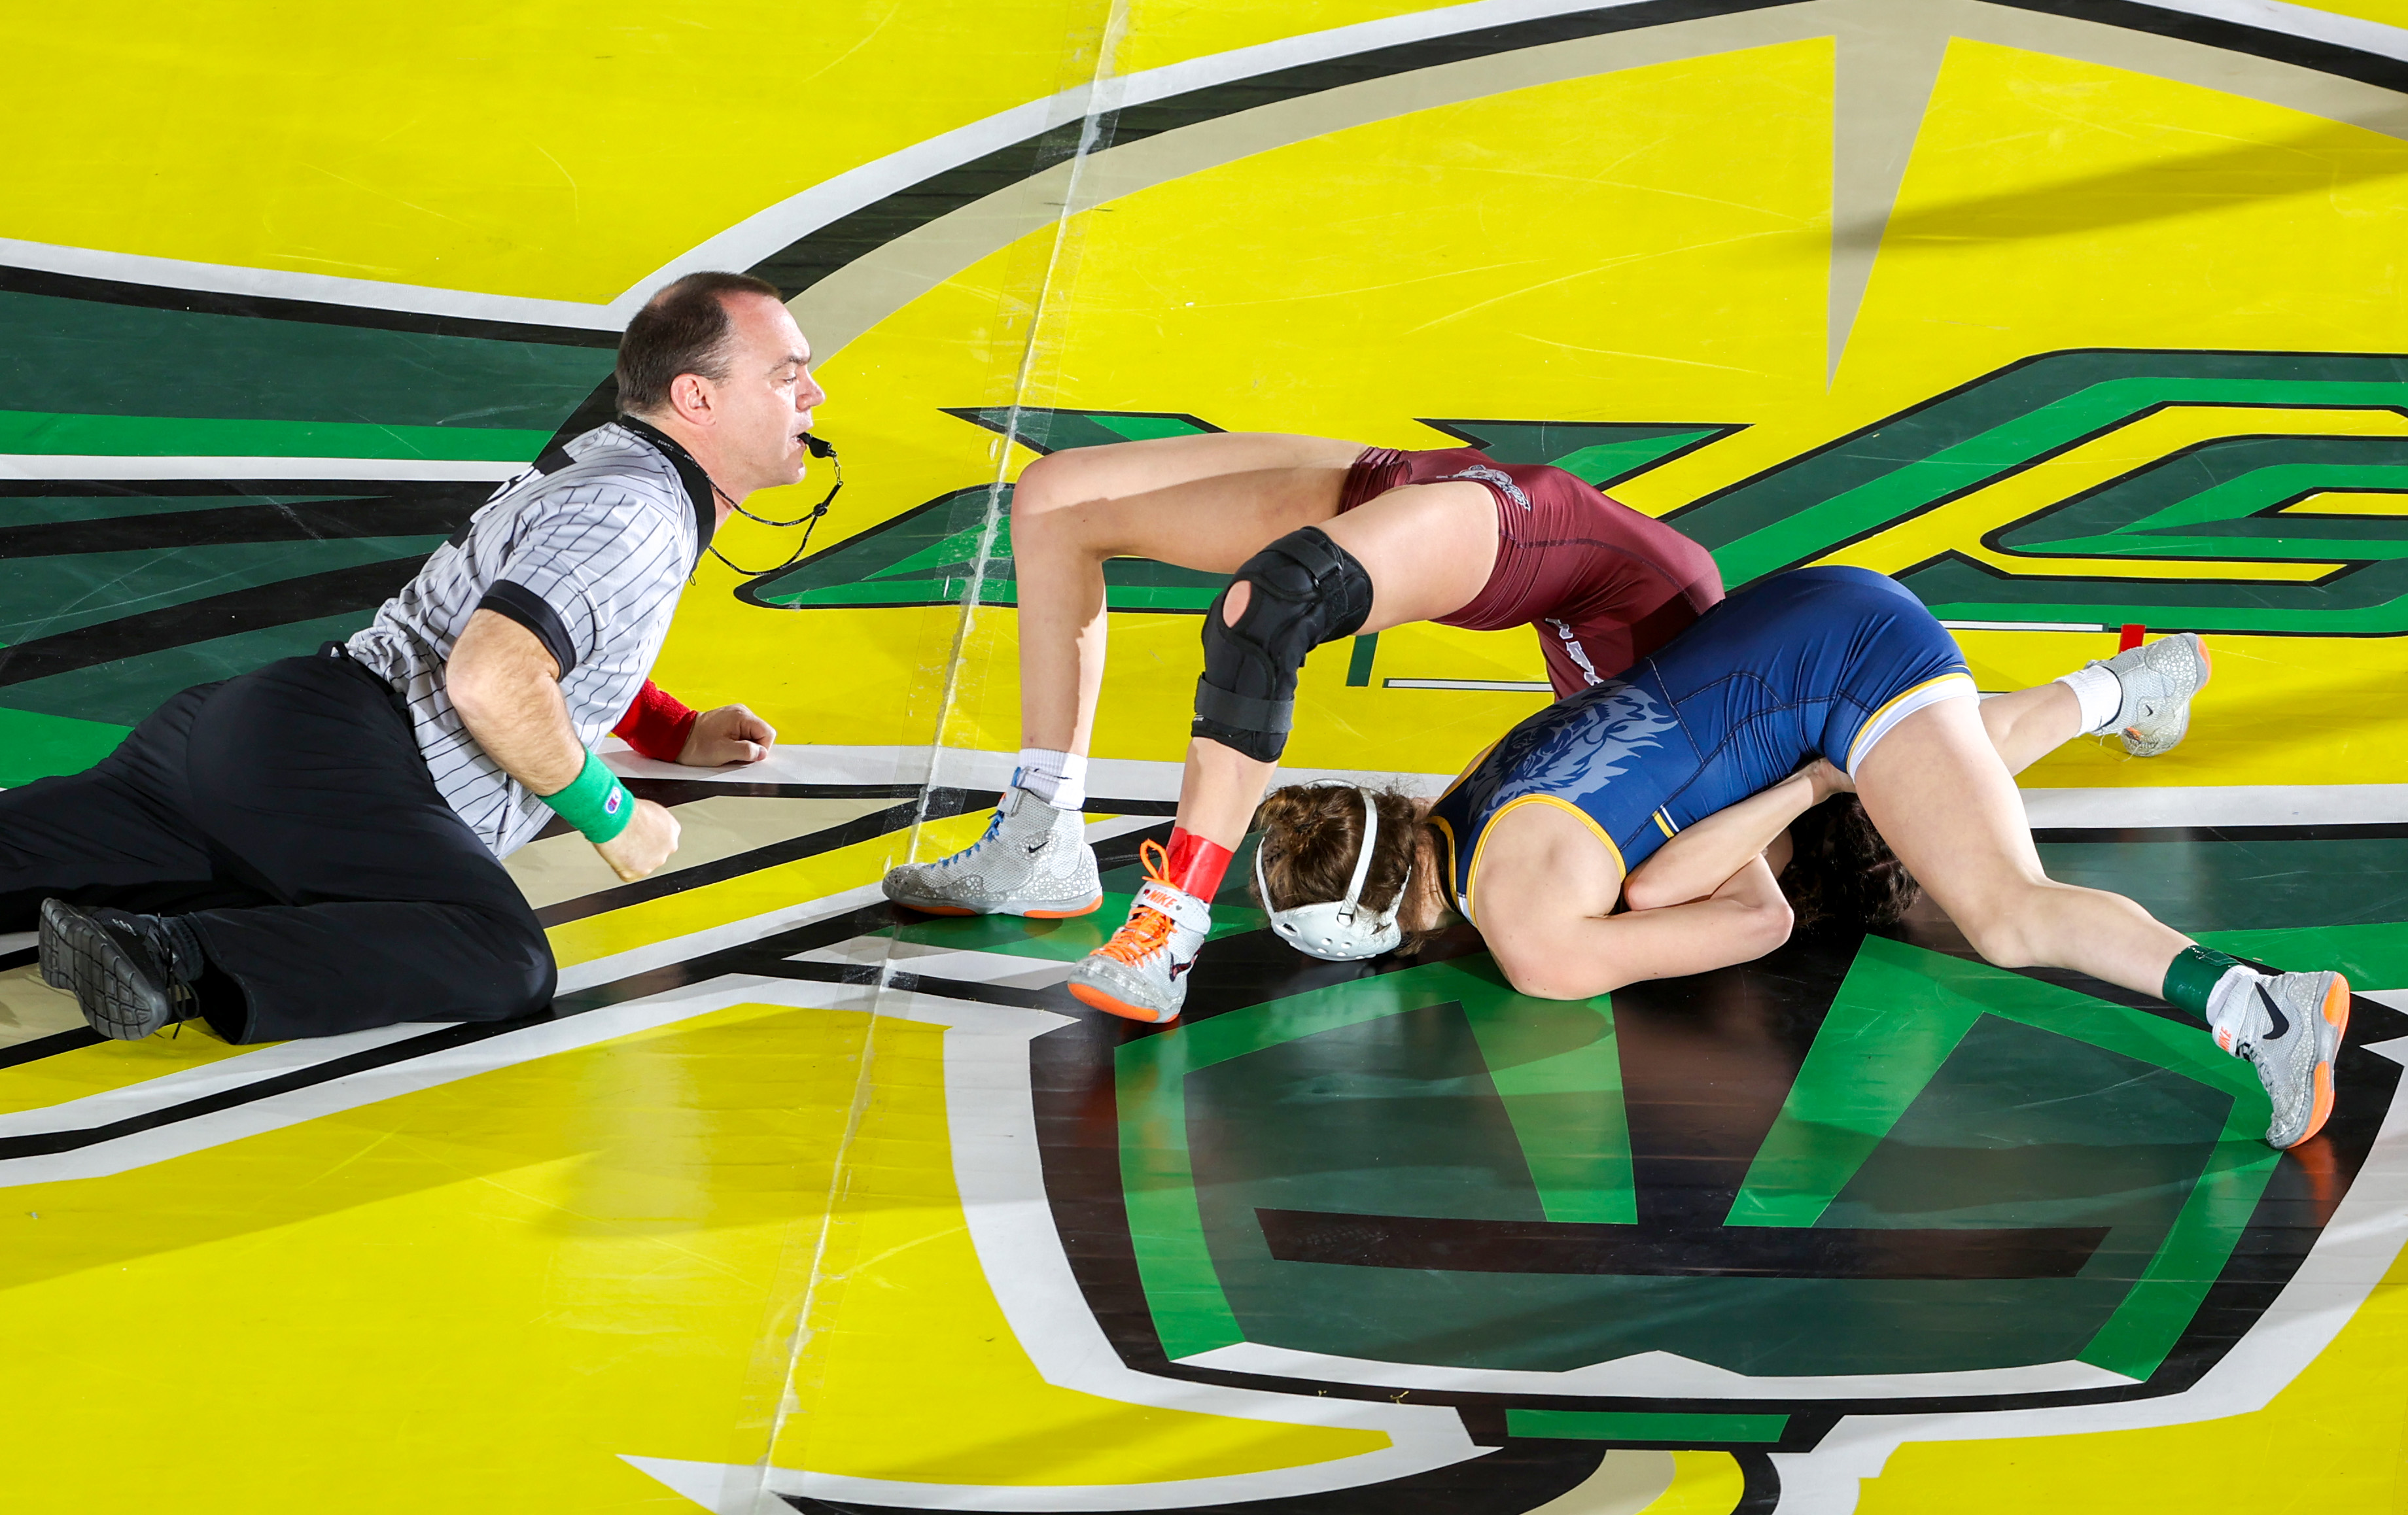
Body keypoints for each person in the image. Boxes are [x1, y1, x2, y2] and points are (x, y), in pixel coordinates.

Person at [1249, 566, 2347, 1150]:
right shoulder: (1472, 785)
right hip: (1797, 611)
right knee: (1929, 777)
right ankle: (2130, 686)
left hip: (1842, 672)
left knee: (2004, 913)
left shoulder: (1530, 940)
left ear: (1356, 934)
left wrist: (1803, 789)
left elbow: (1758, 922)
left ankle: (2264, 1009)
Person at [7, 270, 819, 1045]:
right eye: (788, 376)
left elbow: (560, 625)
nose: (813, 396)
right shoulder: (633, 513)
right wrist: (616, 816)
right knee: (498, 957)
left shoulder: (613, 465)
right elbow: (493, 675)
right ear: (697, 397)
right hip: (337, 771)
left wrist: (668, 728)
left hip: (248, 746)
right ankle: (165, 952)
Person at [881, 434, 1726, 1023]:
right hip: (1544, 544)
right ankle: (1094, 873)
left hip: (1489, 515)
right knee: (1188, 566)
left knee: (1106, 525)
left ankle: (1136, 897)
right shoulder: (1697, 716)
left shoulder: (1649, 781)